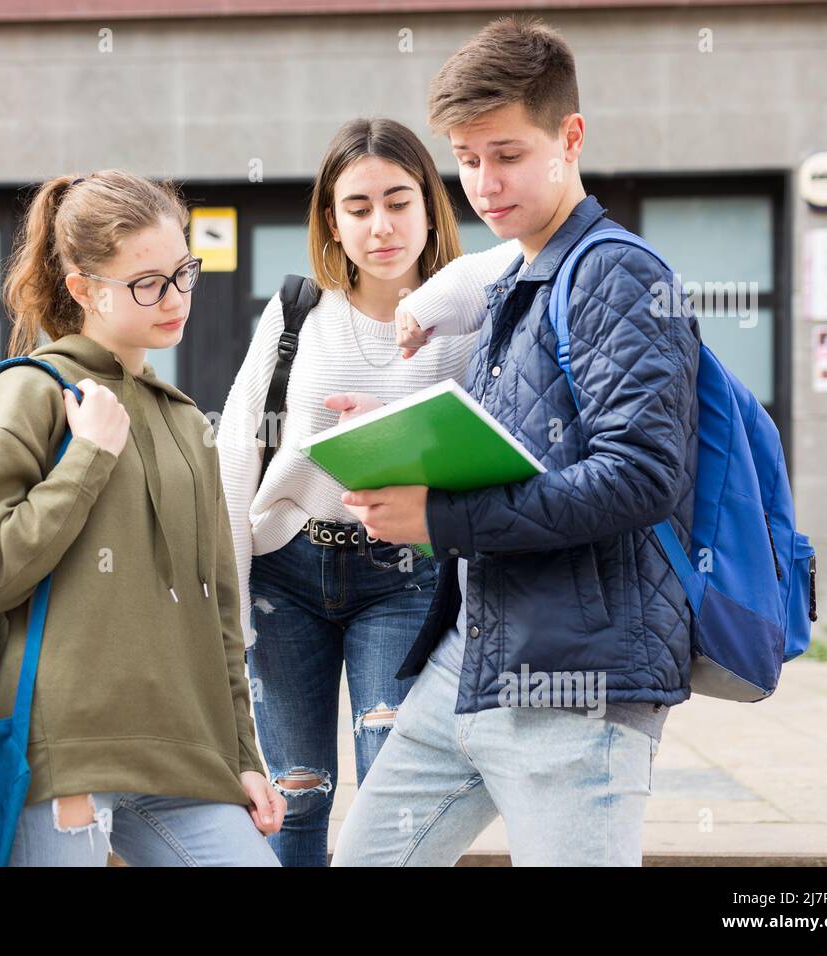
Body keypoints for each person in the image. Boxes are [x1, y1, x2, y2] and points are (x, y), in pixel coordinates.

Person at [331, 15, 701, 866]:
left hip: (580, 686)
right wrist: (393, 442)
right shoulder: (519, 279)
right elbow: (521, 452)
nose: (484, 183)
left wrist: (441, 518)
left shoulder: (619, 274)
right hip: (470, 664)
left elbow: (640, 476)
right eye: (466, 160)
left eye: (506, 154)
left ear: (570, 136)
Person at [0, 170, 283, 866]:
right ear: (83, 288)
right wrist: (88, 457)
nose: (176, 299)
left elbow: (220, 608)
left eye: (183, 273)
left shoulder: (187, 420)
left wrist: (243, 754)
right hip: (64, 750)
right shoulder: (30, 392)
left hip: (186, 756)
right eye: (148, 283)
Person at [215, 117, 518, 866]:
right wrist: (228, 615)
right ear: (331, 219)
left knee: (393, 796)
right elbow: (235, 452)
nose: (380, 226)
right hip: (284, 576)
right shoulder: (296, 312)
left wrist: (429, 304)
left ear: (429, 206)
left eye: (398, 201)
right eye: (357, 207)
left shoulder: (474, 317)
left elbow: (527, 249)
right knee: (295, 796)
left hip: (404, 578)